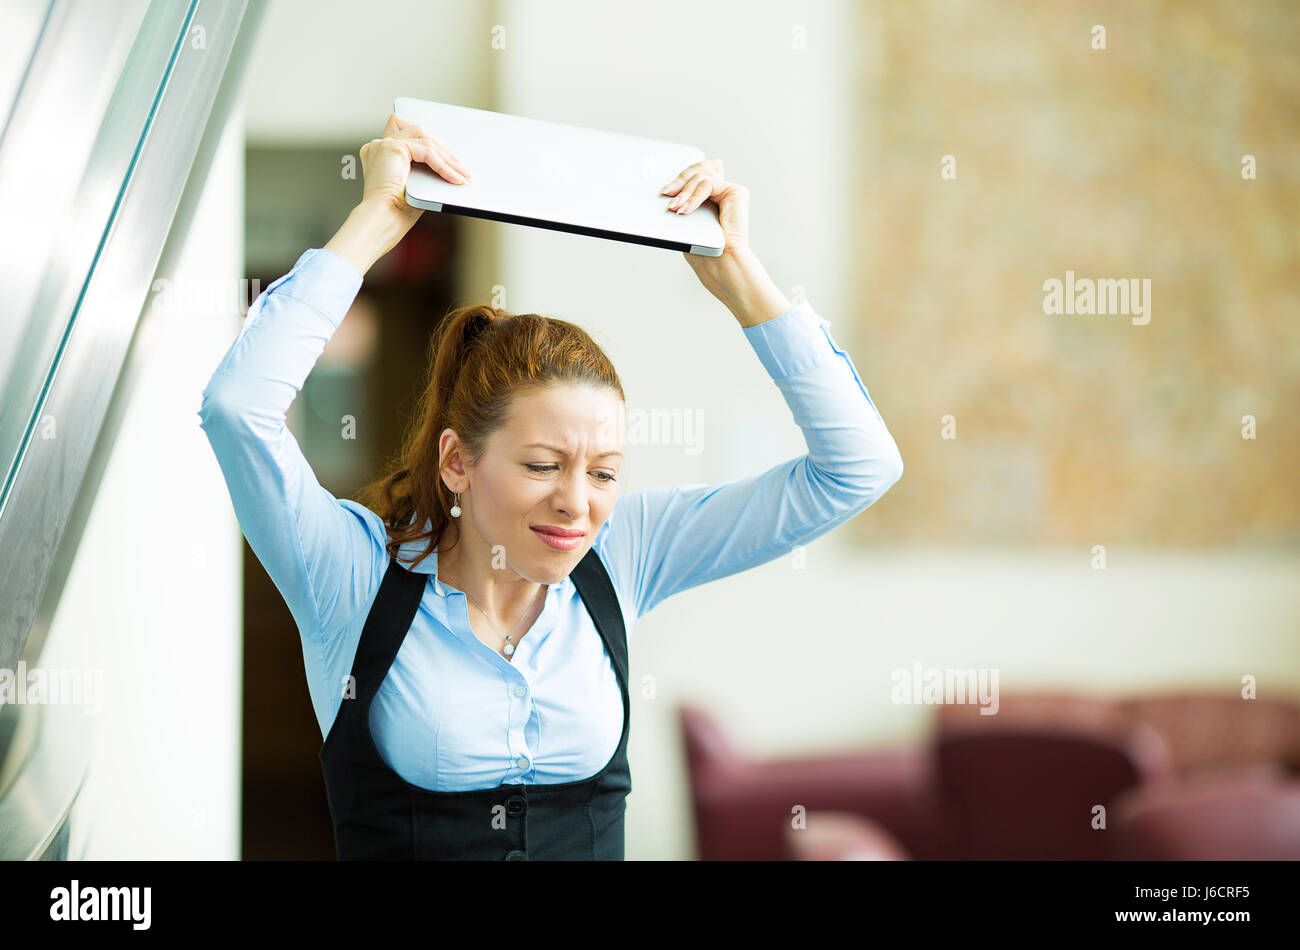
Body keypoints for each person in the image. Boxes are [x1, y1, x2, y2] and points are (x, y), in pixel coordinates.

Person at [198, 113, 904, 860]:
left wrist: (739, 275)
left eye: (604, 472)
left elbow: (858, 466)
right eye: (542, 465)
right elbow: (238, 410)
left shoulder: (626, 555)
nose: (578, 502)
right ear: (456, 462)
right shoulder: (353, 575)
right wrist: (376, 222)